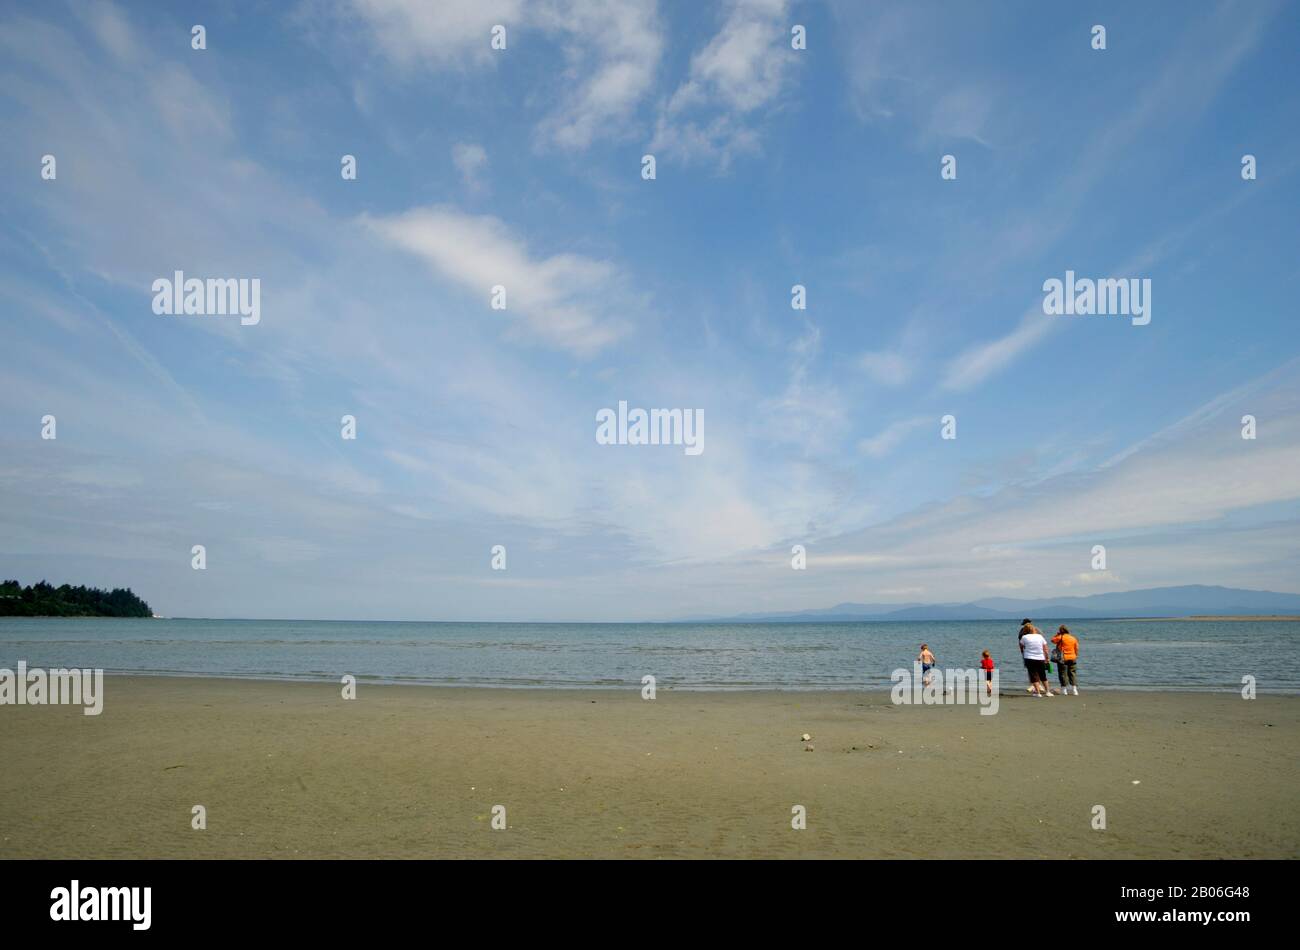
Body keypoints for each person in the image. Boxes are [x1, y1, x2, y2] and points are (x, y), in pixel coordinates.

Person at [1019, 623, 1052, 697]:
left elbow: (1021, 646)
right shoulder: (1040, 636)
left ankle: (1038, 693)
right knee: (1043, 675)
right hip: (1040, 658)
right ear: (1033, 629)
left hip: (1029, 658)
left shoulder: (1024, 637)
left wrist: (1024, 652)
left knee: (1033, 676)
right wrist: (1047, 658)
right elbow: (1046, 649)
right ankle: (1048, 692)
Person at [1051, 625, 1080, 695]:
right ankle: (1074, 690)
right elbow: (1076, 648)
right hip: (1072, 657)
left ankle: (1064, 690)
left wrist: (1057, 634)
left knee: (1062, 673)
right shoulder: (1073, 638)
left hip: (1062, 657)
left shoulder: (1060, 637)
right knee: (1072, 673)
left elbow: (1052, 640)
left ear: (1061, 631)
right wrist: (1076, 655)